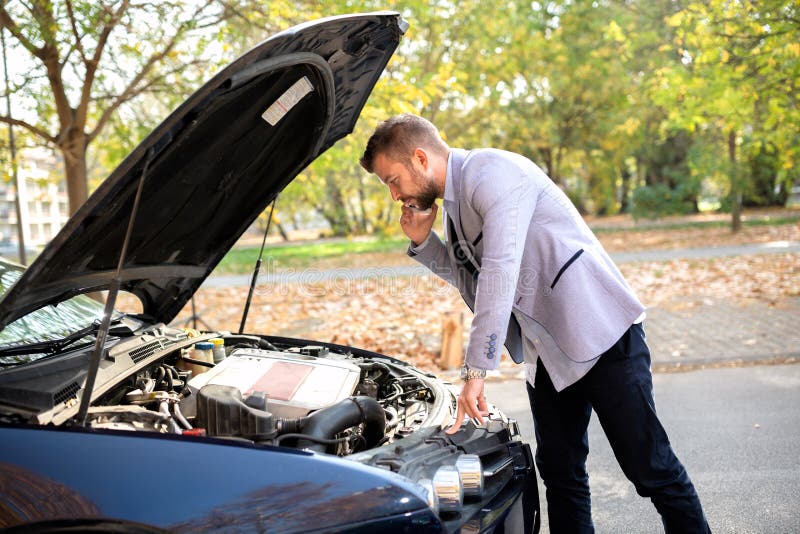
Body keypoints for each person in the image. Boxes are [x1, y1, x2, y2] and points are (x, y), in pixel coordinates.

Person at [359, 113, 710, 533]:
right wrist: (423, 241)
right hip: (545, 355)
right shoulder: (452, 209)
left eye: (393, 180)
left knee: (651, 469)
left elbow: (500, 273)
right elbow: (473, 284)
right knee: (561, 476)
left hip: (600, 334)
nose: (394, 194)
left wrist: (476, 370)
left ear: (420, 158)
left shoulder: (493, 173)